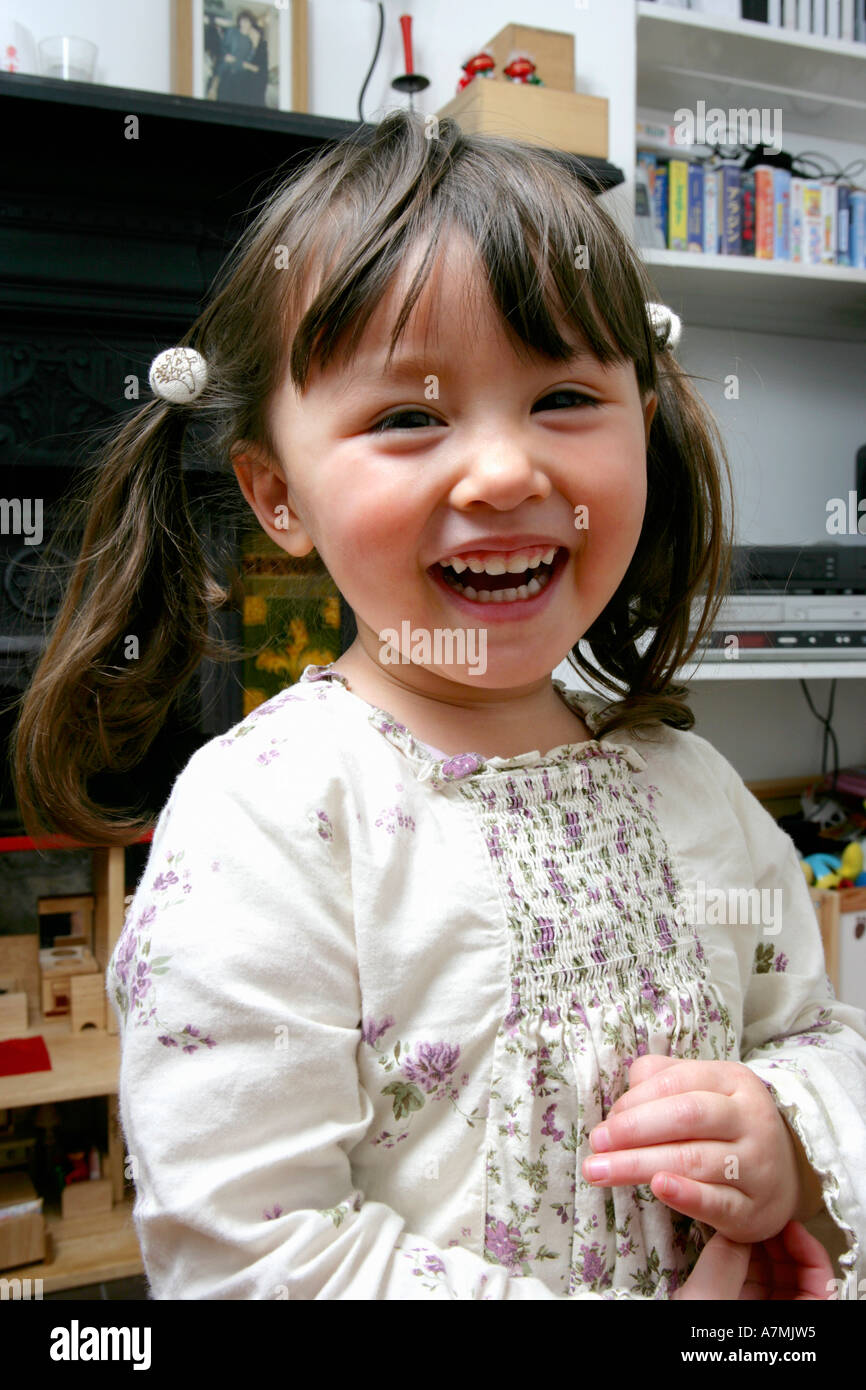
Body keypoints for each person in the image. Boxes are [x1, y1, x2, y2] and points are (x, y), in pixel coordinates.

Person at [11, 111, 866, 1300]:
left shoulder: (690, 785)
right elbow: (250, 1254)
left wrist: (775, 1131)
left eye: (563, 396)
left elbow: (818, 1031)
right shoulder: (267, 819)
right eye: (408, 417)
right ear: (277, 496)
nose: (506, 471)